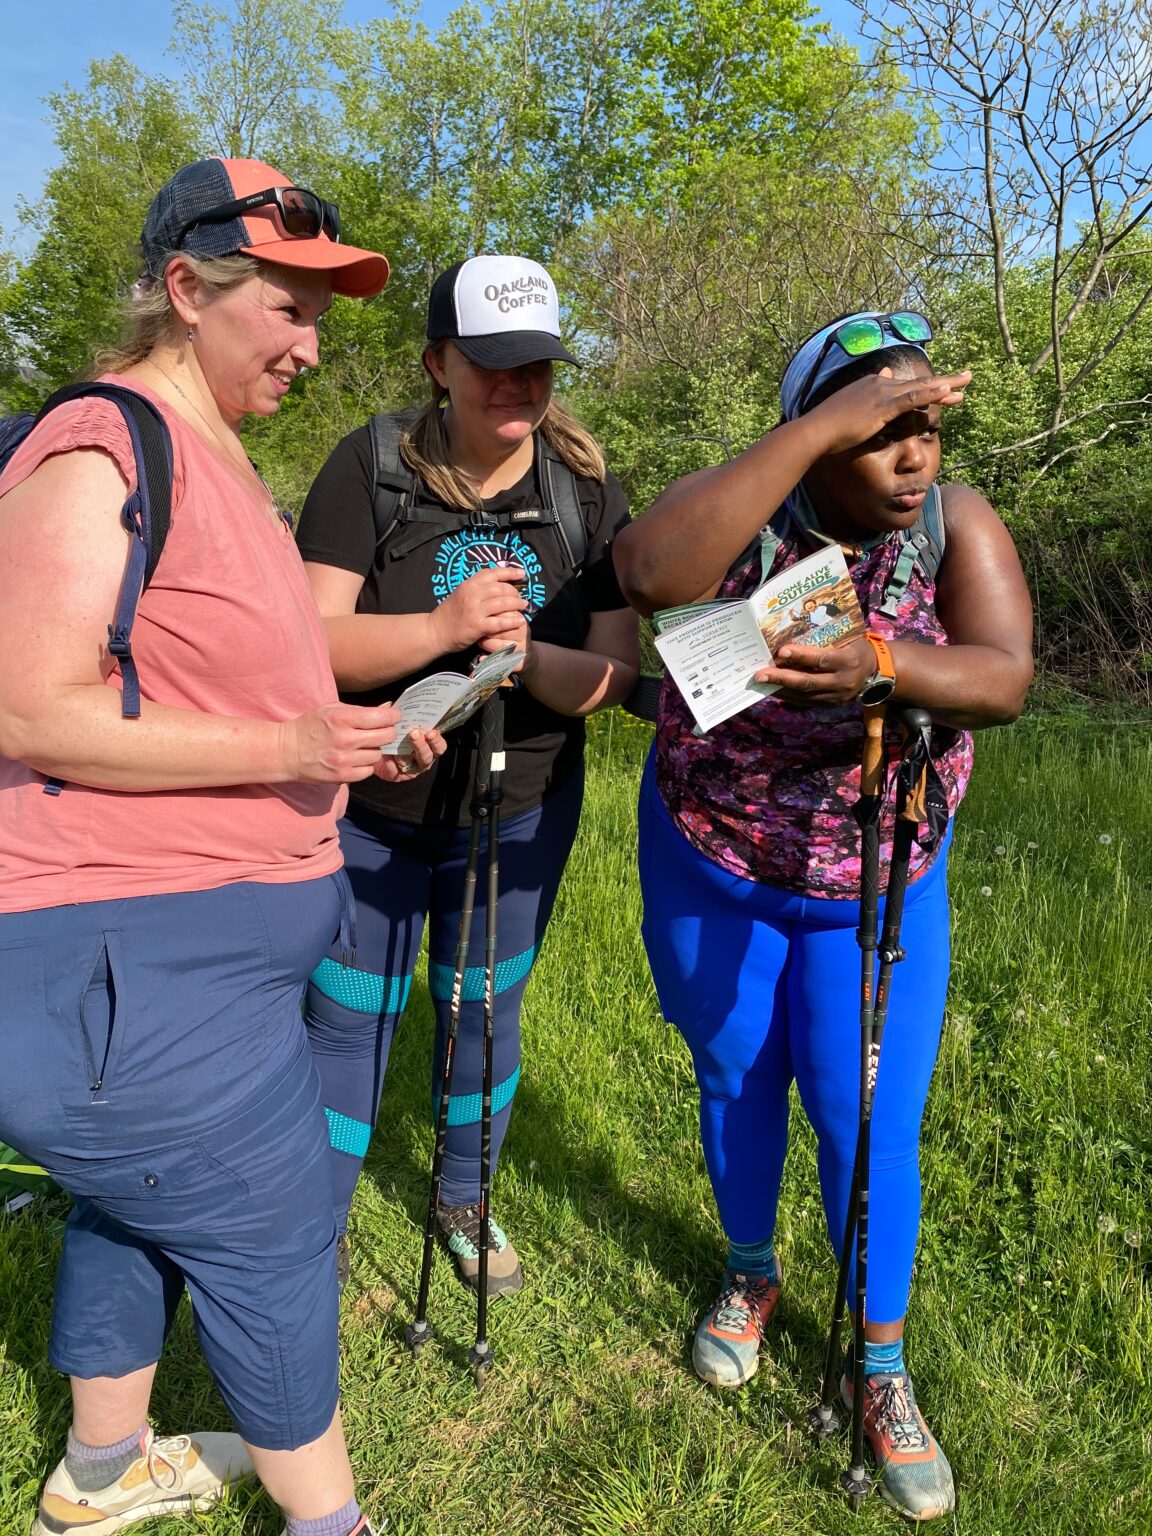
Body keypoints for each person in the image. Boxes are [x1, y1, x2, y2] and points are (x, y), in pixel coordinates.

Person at [0, 157, 443, 1536]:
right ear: (187, 290)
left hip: (180, 975)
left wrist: (348, 731)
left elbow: (211, 688)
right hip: (129, 979)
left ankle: (105, 1467)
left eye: (324, 313)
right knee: (272, 1241)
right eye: (290, 306)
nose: (313, 344)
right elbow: (31, 704)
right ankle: (332, 1525)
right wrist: (296, 755)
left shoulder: (217, 458)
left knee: (138, 1210)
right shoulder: (101, 442)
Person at [613, 311, 1033, 1521]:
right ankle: (752, 1277)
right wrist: (803, 441)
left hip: (879, 878)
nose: (916, 459)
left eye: (929, 431)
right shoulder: (752, 519)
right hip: (717, 855)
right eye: (883, 433)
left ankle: (881, 1364)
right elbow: (648, 577)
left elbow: (1003, 675)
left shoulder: (958, 527)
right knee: (735, 1075)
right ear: (815, 433)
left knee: (866, 1121)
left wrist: (886, 669)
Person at [295, 253, 640, 1296]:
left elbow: (619, 676)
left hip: (520, 808)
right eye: (492, 364)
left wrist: (520, 657)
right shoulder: (372, 468)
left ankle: (464, 1196)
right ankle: (320, 1215)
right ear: (438, 362)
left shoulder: (584, 487)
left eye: (537, 364)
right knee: (350, 1010)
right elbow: (309, 642)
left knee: (483, 1008)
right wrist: (443, 631)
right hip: (373, 802)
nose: (519, 386)